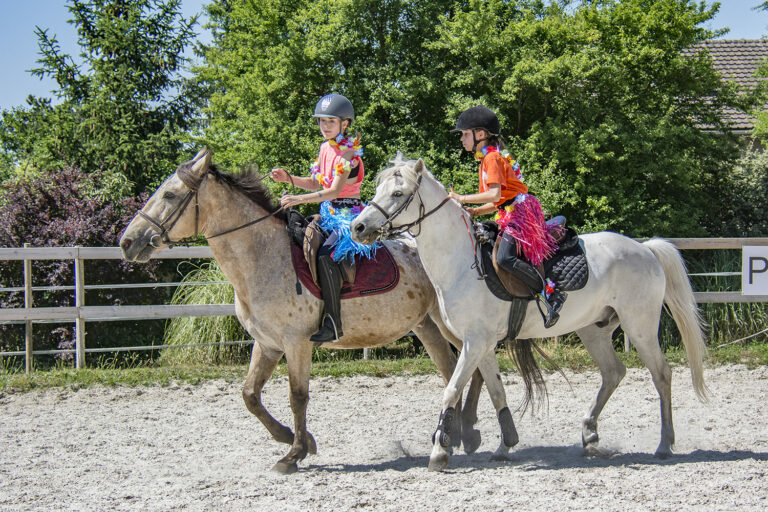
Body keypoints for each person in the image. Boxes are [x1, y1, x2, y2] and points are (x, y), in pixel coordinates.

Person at [447, 105, 566, 327]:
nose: (462, 139)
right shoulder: (488, 158)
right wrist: (475, 211)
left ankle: (550, 294)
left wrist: (461, 198)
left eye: (465, 134)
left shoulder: (492, 159)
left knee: (504, 258)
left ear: (480, 134)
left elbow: (494, 194)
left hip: (521, 214)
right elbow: (495, 202)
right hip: (511, 210)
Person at [270, 93, 375, 342]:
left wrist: (298, 199)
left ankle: (334, 322)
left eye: (330, 121)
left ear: (345, 124)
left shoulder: (349, 154)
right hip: (327, 212)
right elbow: (318, 182)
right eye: (321, 121)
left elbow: (334, 190)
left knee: (328, 254)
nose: (324, 126)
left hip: (348, 215)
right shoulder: (325, 148)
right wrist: (290, 179)